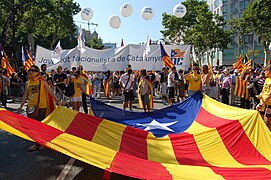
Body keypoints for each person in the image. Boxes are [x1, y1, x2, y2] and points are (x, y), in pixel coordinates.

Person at [17, 65, 61, 152]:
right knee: (33, 127)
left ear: (37, 72)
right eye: (29, 70)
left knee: (40, 125)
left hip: (42, 106)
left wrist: (57, 100)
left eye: (33, 70)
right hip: (31, 107)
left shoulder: (42, 81)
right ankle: (37, 142)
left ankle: (40, 143)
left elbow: (50, 91)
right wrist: (21, 106)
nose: (30, 72)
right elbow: (25, 95)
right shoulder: (28, 83)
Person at [256, 65, 271, 131]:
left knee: (268, 121)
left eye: (265, 71)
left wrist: (263, 103)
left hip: (269, 103)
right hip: (262, 102)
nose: (264, 72)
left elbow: (270, 94)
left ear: (269, 71)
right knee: (260, 118)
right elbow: (263, 90)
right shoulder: (267, 80)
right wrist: (260, 95)